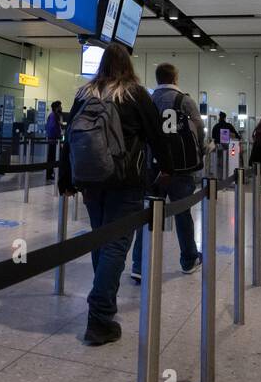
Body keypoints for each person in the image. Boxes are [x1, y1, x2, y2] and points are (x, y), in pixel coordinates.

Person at [58, 44, 174, 346]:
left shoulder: (85, 93)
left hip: (90, 181)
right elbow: (157, 137)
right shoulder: (135, 94)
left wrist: (65, 178)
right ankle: (99, 317)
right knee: (116, 245)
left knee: (100, 238)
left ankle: (102, 308)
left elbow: (68, 138)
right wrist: (168, 171)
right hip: (126, 181)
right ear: (128, 65)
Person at [130, 62, 203, 282]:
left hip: (152, 166)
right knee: (182, 212)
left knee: (147, 213)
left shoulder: (148, 100)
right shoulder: (184, 100)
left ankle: (139, 265)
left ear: (158, 78)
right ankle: (189, 259)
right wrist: (200, 149)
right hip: (180, 167)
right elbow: (199, 128)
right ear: (176, 78)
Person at [44, 101, 63, 181]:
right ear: (56, 107)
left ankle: (51, 174)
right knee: (54, 157)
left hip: (54, 140)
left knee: (53, 157)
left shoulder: (55, 115)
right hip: (54, 141)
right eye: (60, 106)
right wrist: (58, 135)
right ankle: (50, 174)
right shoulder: (53, 116)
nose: (61, 108)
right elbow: (52, 128)